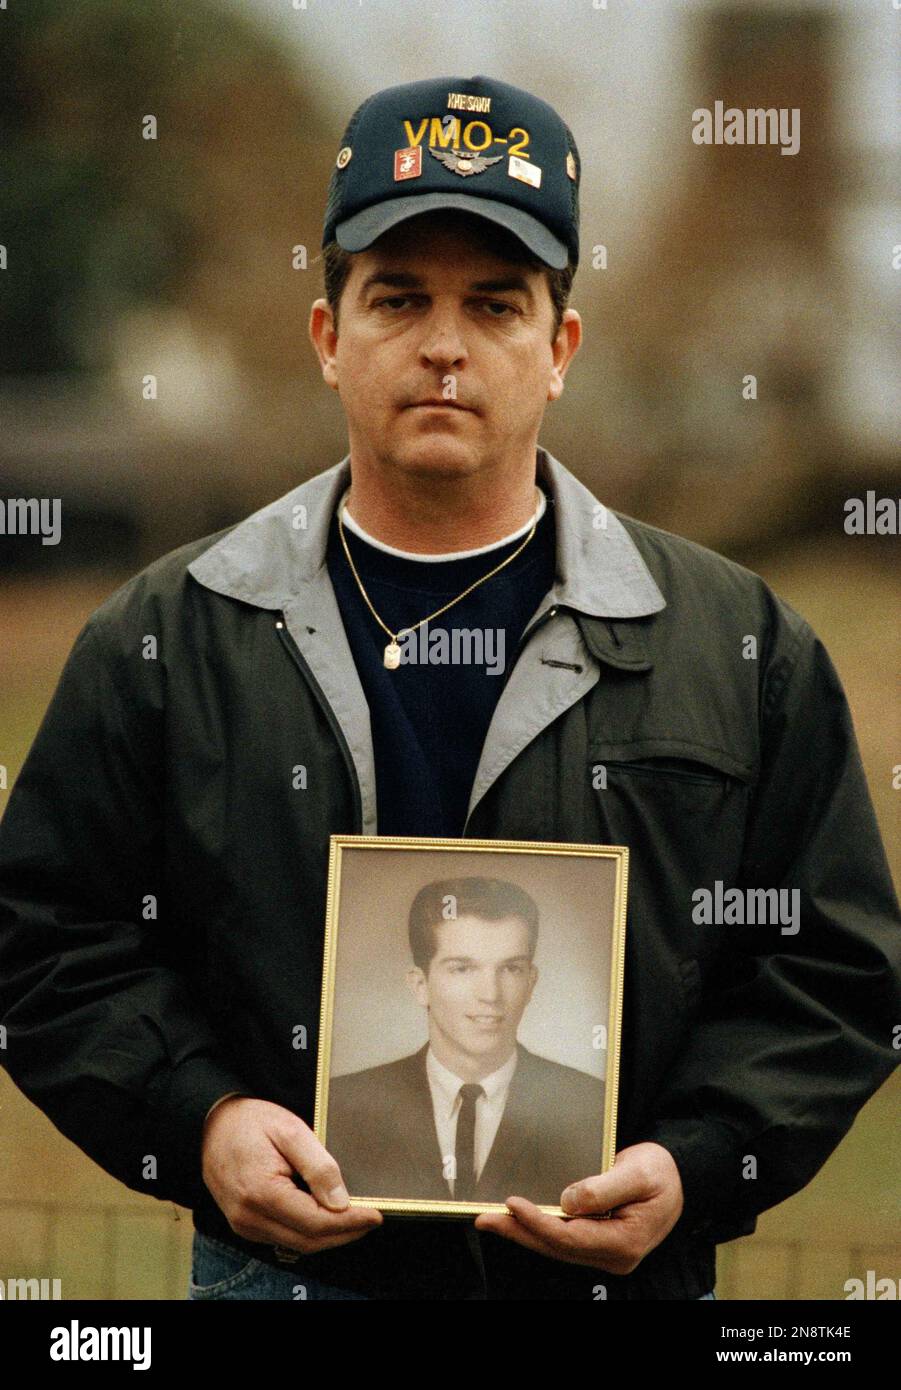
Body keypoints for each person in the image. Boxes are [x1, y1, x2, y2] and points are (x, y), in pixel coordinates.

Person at [0, 74, 898, 1303]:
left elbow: (832, 965)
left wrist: (694, 1165)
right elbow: (47, 938)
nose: (442, 344)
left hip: (611, 1288)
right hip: (282, 1283)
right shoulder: (171, 635)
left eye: (494, 304)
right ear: (328, 338)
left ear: (559, 347)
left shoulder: (737, 645)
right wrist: (200, 1117)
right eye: (397, 298)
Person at [326, 876, 606, 1206]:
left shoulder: (592, 1106)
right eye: (462, 969)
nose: (490, 995)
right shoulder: (340, 1107)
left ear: (531, 983)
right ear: (421, 985)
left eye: (511, 969)